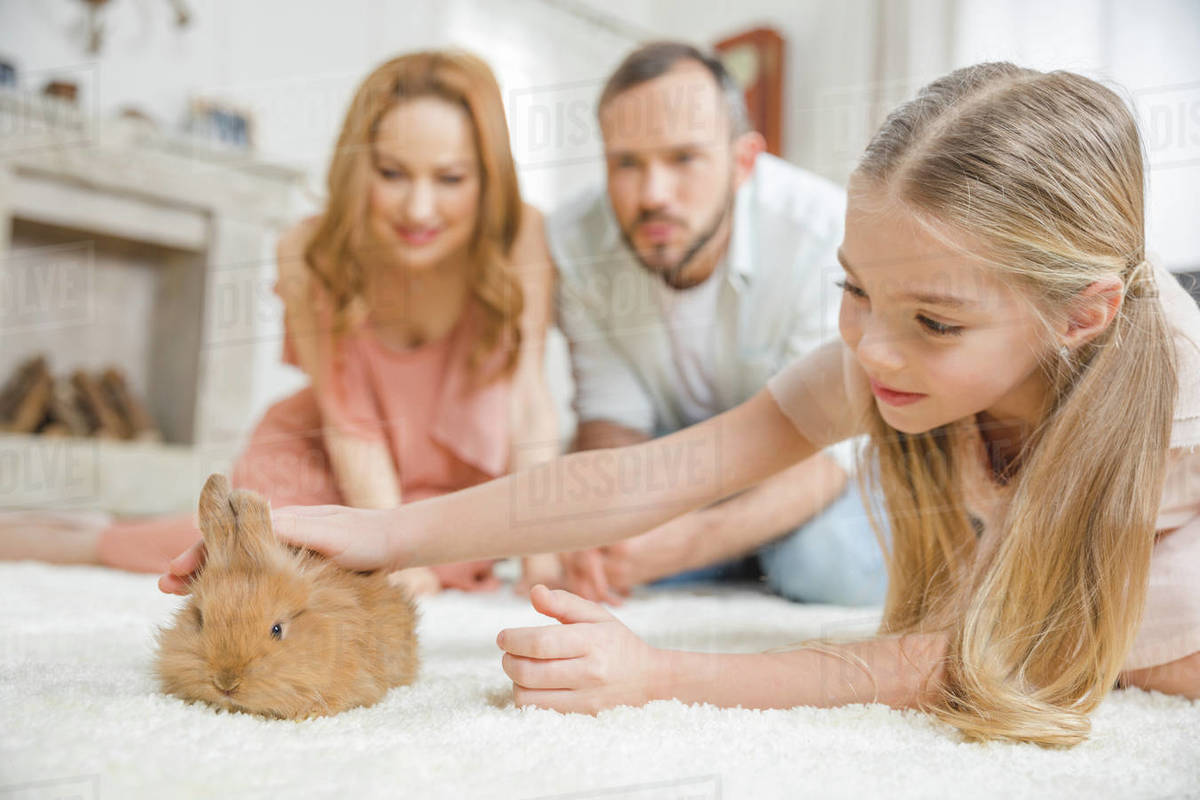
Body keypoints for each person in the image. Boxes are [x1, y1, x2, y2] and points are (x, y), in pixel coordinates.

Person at [163, 63, 1200, 747]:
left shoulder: (1159, 418)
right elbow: (653, 471)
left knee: (1150, 668)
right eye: (853, 289)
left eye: (932, 322)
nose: (870, 345)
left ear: (1080, 317)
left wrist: (664, 669)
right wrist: (386, 530)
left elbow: (960, 661)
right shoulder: (901, 337)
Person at [2, 50, 561, 594]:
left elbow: (529, 402)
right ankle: (80, 541)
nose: (418, 209)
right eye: (392, 173)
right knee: (251, 554)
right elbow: (350, 422)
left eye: (451, 179)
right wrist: (394, 550)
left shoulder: (519, 238)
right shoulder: (309, 251)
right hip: (329, 456)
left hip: (455, 480)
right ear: (357, 166)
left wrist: (542, 559)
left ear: (489, 179)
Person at [540, 42, 882, 605]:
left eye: (683, 159)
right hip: (675, 461)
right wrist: (610, 533)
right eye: (626, 163)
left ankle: (739, 554)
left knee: (827, 567)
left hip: (808, 458)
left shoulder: (823, 231)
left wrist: (684, 544)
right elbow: (610, 421)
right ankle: (737, 555)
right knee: (580, 537)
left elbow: (828, 451)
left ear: (743, 161)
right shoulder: (575, 239)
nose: (652, 195)